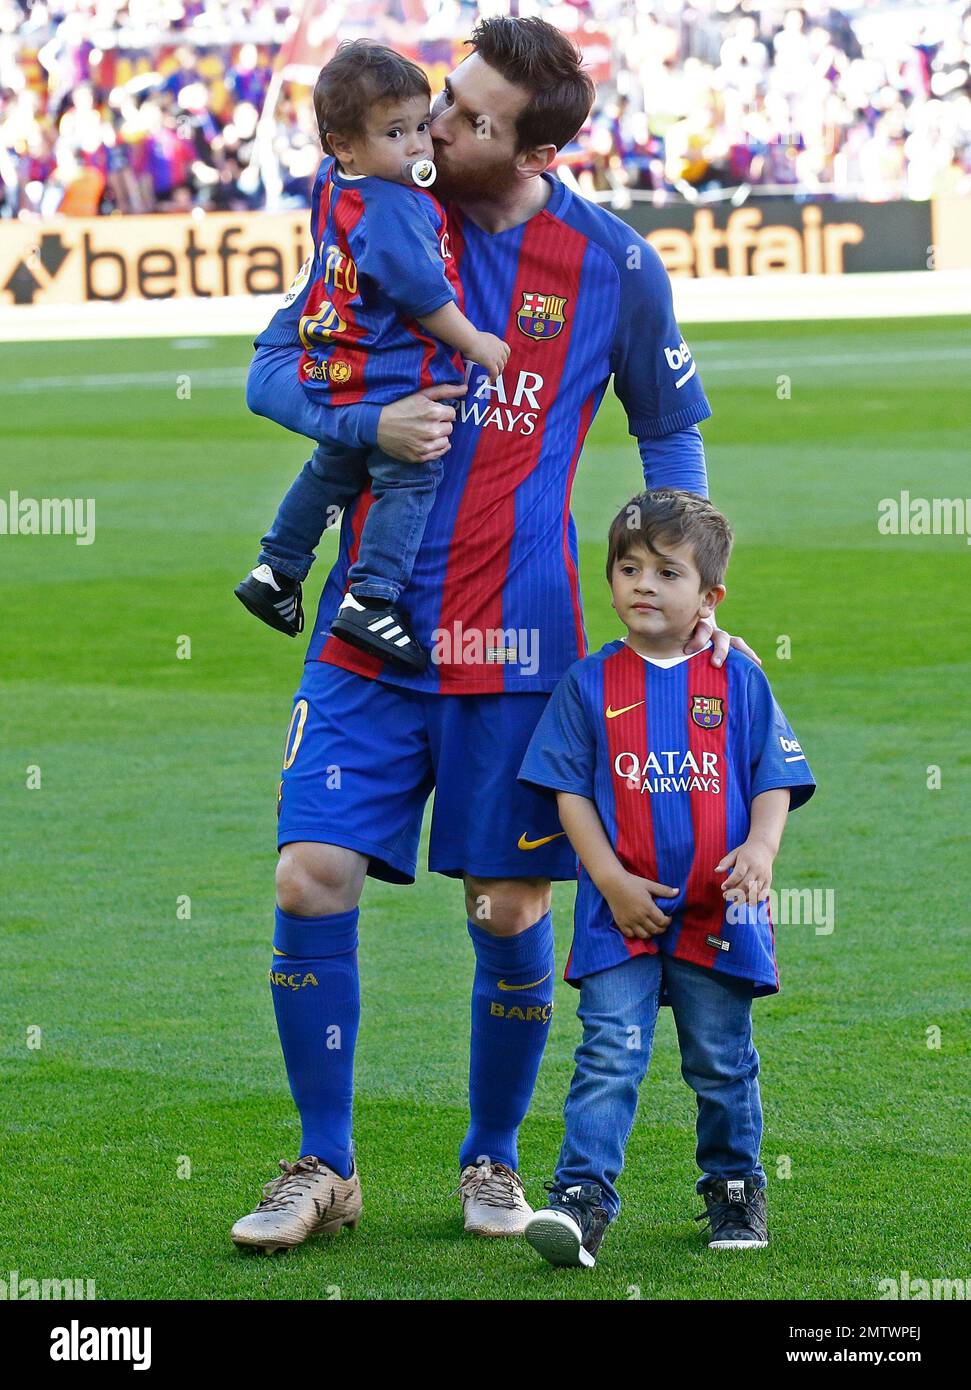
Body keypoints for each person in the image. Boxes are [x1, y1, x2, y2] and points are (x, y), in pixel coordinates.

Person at [231, 15, 751, 1256]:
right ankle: (325, 1163)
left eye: (465, 117)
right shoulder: (377, 217)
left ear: (529, 148)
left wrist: (690, 574)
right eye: (439, 104)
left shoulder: (613, 265)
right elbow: (268, 370)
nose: (435, 126)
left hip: (514, 643)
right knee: (311, 872)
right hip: (369, 622)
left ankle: (492, 1162)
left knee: (509, 906)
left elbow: (665, 427)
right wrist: (362, 426)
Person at [518, 489, 816, 1268]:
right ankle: (580, 1202)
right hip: (620, 913)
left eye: (667, 572)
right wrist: (610, 878)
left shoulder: (738, 678)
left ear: (709, 597)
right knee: (609, 1052)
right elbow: (569, 791)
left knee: (720, 1059)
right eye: (627, 567)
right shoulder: (588, 685)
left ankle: (732, 1187)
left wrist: (761, 847)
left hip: (720, 910)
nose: (642, 584)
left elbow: (772, 775)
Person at [235, 40, 509, 670]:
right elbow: (422, 295)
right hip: (391, 370)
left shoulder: (337, 181)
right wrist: (476, 343)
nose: (419, 145)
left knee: (333, 466)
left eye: (419, 125)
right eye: (396, 133)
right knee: (409, 475)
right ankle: (373, 596)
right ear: (345, 144)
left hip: (340, 361)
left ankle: (277, 569)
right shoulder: (392, 210)